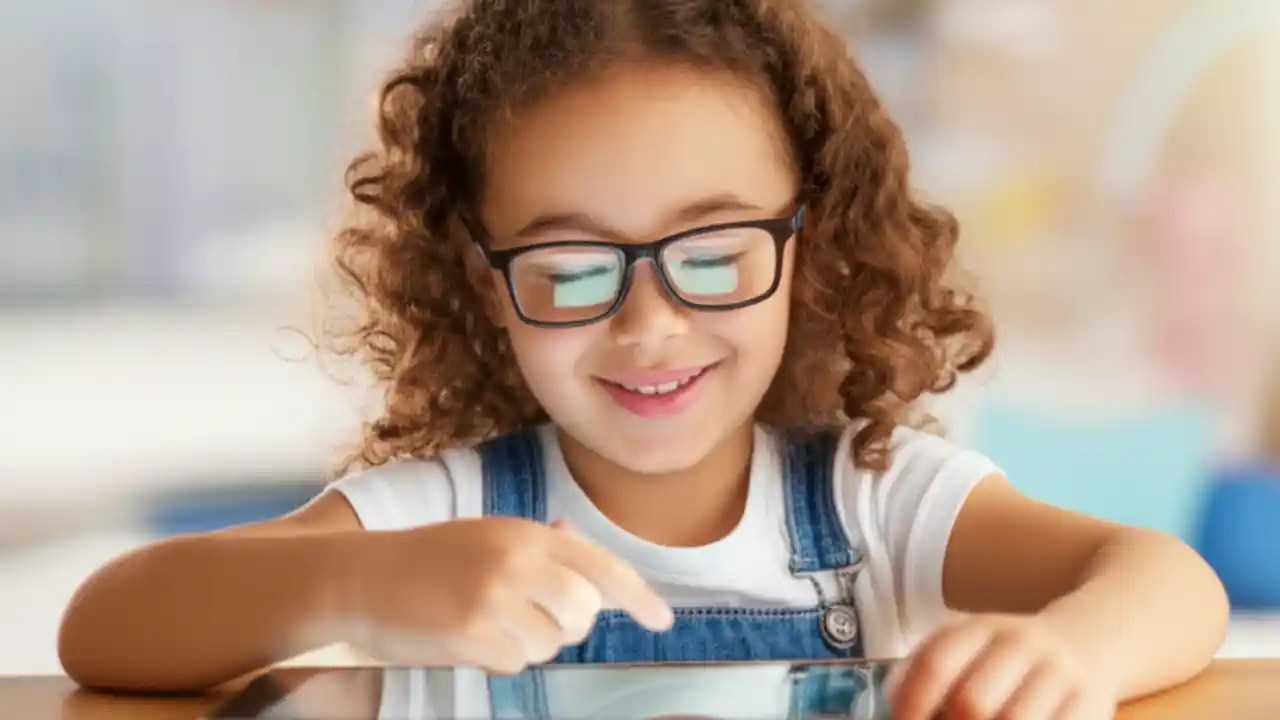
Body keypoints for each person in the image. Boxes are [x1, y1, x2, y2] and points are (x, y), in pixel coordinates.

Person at [58, 2, 1228, 717]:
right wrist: (357, 583)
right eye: (570, 269)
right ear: (482, 278)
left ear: (800, 242)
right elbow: (107, 626)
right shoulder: (444, 514)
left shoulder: (877, 497)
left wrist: (1064, 652)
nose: (649, 324)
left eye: (712, 255)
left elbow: (1165, 580)